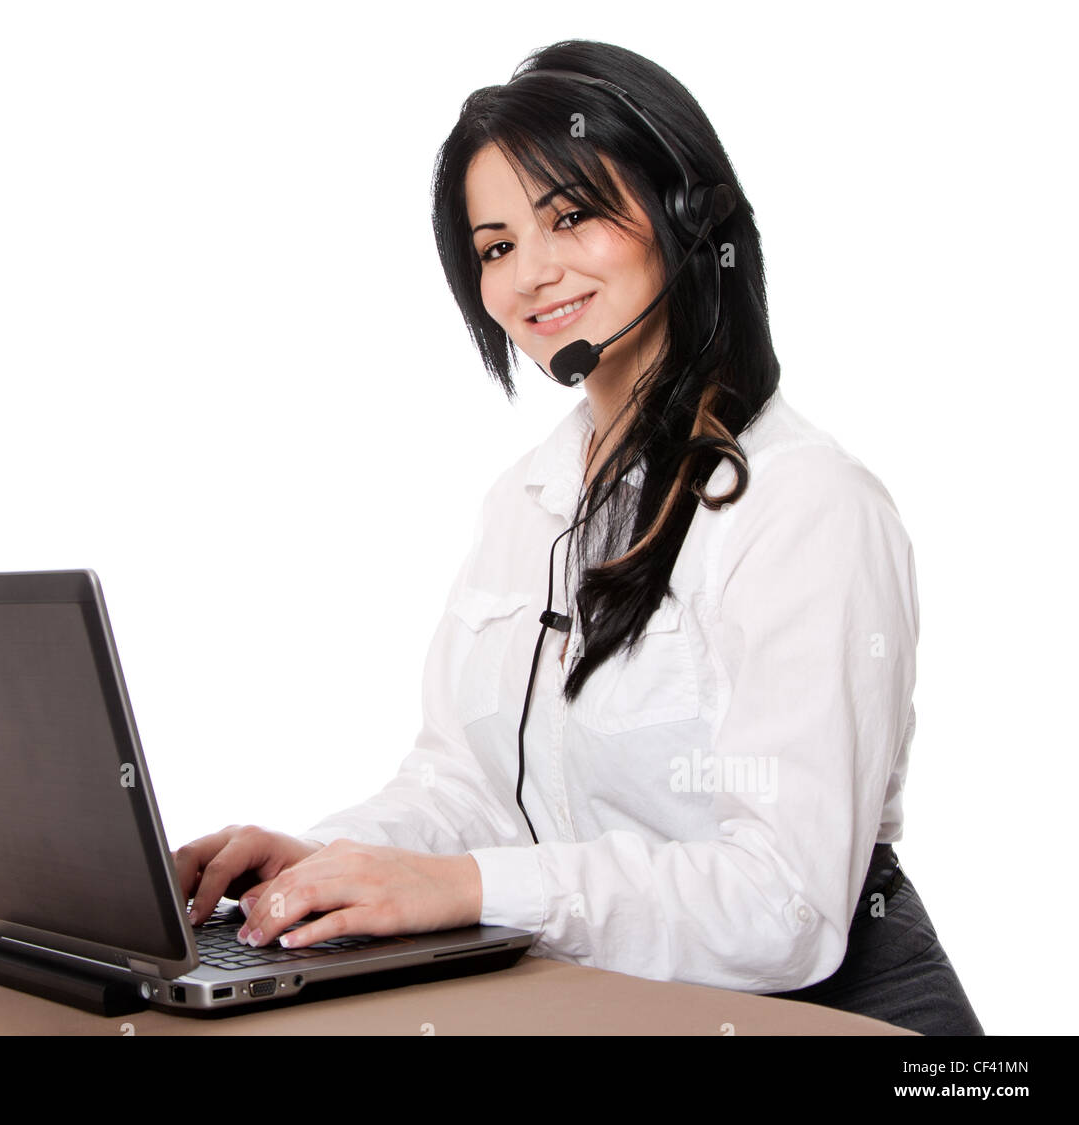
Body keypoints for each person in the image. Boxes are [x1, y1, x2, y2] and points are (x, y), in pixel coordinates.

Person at [174, 39, 983, 1036]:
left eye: (571, 217)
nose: (531, 275)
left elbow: (785, 908)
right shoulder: (530, 500)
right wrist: (328, 863)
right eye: (497, 245)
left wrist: (469, 889)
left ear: (686, 216)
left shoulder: (807, 506)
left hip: (835, 1015)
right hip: (623, 1006)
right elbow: (462, 784)